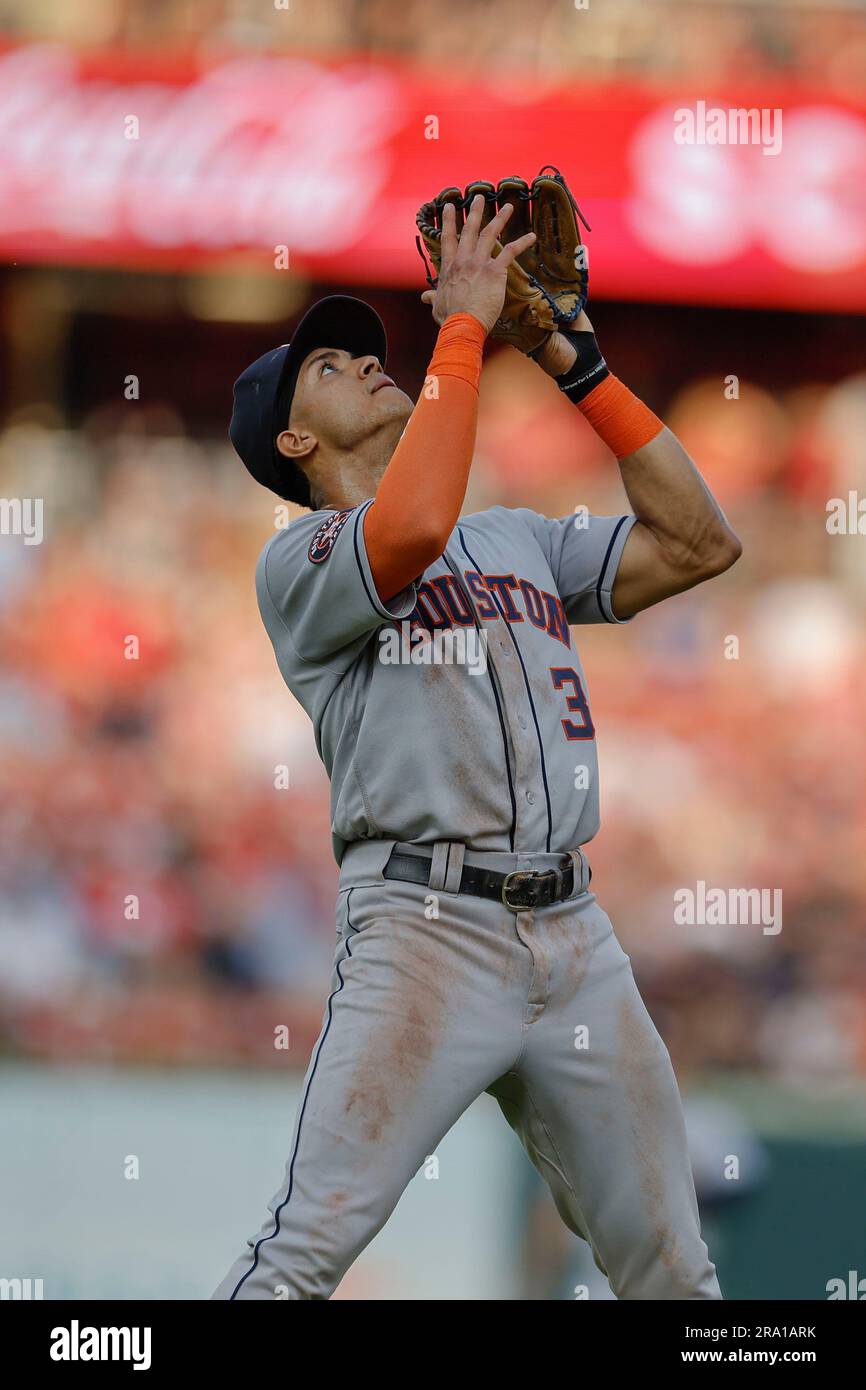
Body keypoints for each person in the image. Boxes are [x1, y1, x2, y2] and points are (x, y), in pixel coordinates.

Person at [213, 195, 740, 1300]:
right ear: (295, 440)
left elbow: (699, 542)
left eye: (364, 352)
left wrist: (570, 359)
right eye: (329, 368)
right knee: (305, 1252)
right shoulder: (299, 559)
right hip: (423, 933)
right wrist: (460, 327)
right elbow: (400, 531)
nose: (363, 364)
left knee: (673, 1277)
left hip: (574, 933)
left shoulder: (510, 535)